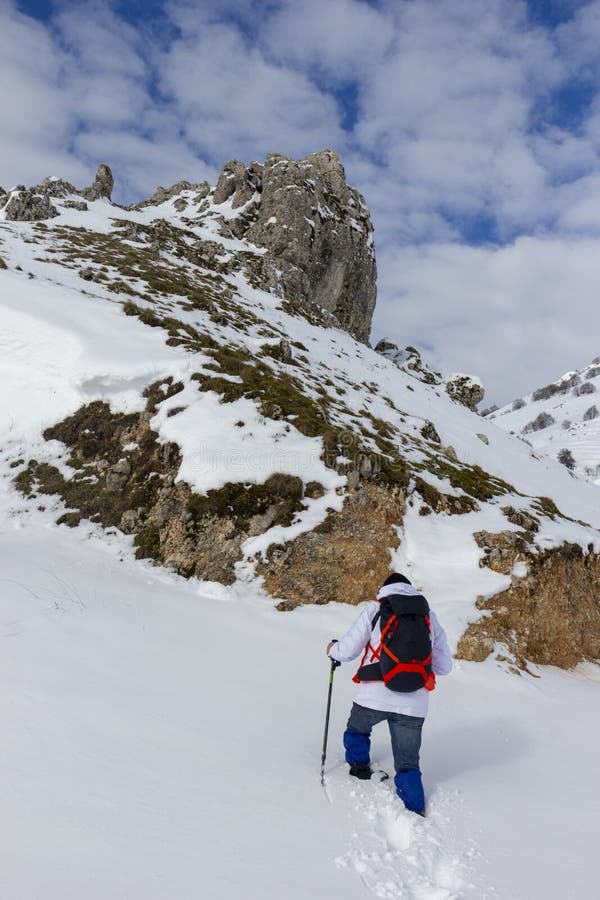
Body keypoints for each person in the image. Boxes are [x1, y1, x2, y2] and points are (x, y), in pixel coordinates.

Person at [326, 573, 452, 816]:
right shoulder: (428, 617)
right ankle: (415, 809)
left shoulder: (376, 609)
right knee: (408, 762)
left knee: (357, 728)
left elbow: (348, 650)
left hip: (373, 694)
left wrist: (333, 650)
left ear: (384, 590)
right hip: (413, 703)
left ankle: (358, 767)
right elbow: (444, 667)